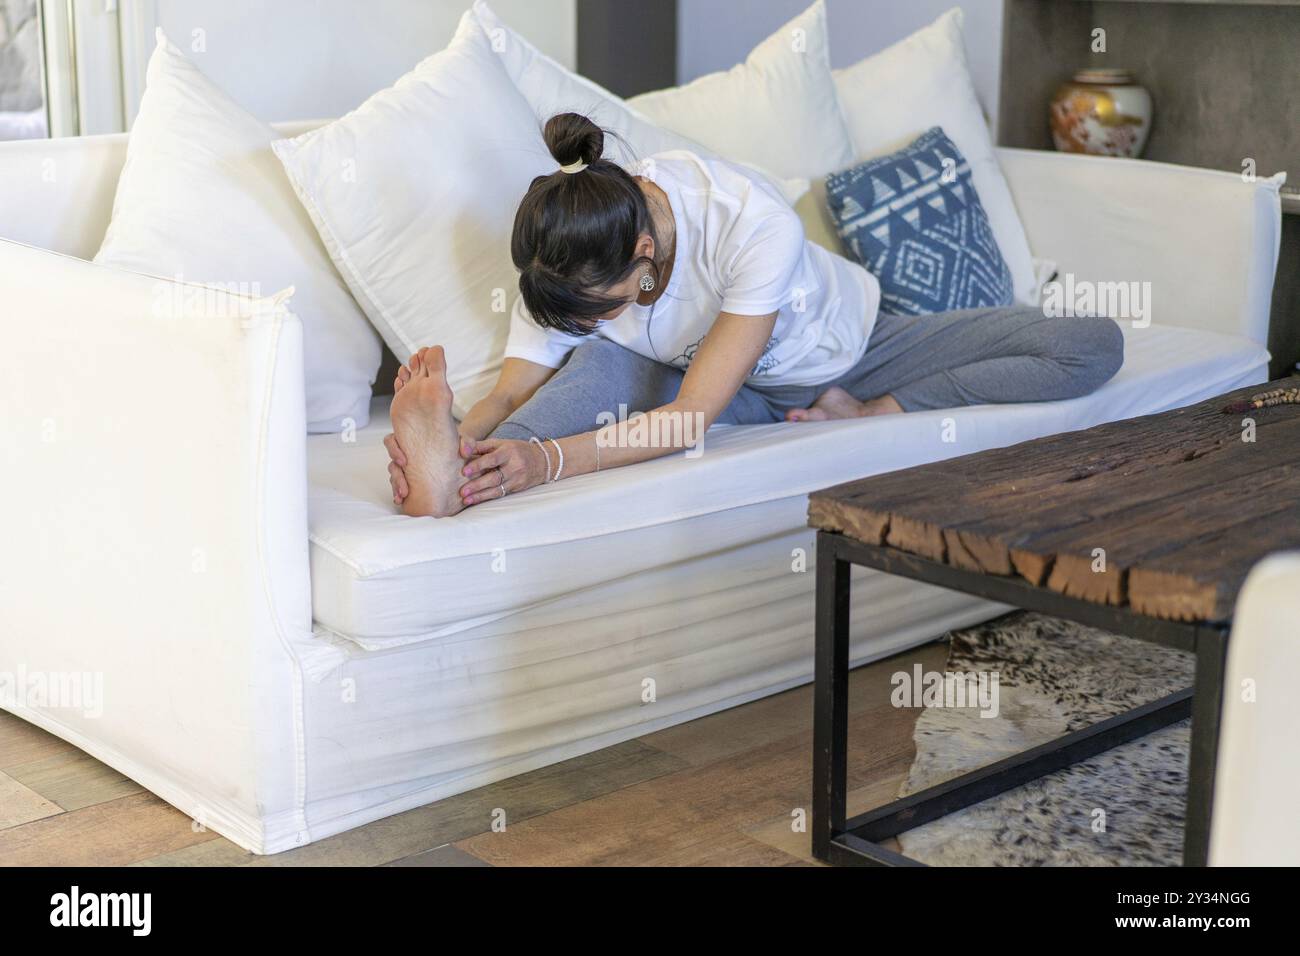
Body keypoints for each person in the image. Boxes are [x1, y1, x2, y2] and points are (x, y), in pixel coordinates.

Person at [384, 113, 1123, 517]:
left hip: (847, 354)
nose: (590, 318)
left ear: (645, 251)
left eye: (604, 308)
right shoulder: (569, 247)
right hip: (704, 381)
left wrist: (547, 462)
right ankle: (460, 474)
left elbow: (688, 422)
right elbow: (517, 386)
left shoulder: (749, 222)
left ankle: (871, 409)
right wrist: (470, 427)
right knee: (598, 361)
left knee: (1090, 344)